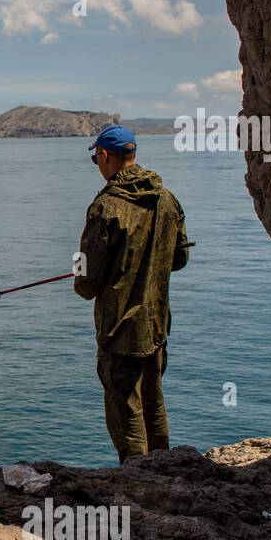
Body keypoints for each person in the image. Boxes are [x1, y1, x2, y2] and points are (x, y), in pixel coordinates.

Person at [74, 124, 192, 463]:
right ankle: (164, 469)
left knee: (126, 407)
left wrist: (83, 275)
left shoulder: (106, 207)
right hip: (156, 325)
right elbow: (180, 258)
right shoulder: (167, 198)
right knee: (153, 400)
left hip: (119, 328)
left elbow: (87, 282)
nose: (97, 162)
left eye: (96, 156)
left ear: (106, 156)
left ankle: (138, 476)